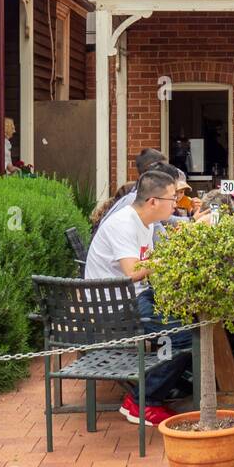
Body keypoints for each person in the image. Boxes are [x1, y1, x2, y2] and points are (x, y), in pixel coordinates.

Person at [83, 169, 192, 426]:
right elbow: (133, 271)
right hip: (114, 309)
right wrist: (169, 260)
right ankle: (143, 400)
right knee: (184, 334)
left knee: (187, 314)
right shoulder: (124, 223)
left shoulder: (145, 223)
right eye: (172, 199)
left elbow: (148, 268)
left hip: (133, 298)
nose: (176, 204)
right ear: (153, 202)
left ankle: (176, 381)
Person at [96, 148, 168, 230]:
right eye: (164, 170)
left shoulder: (135, 194)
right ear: (152, 173)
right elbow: (159, 231)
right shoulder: (133, 197)